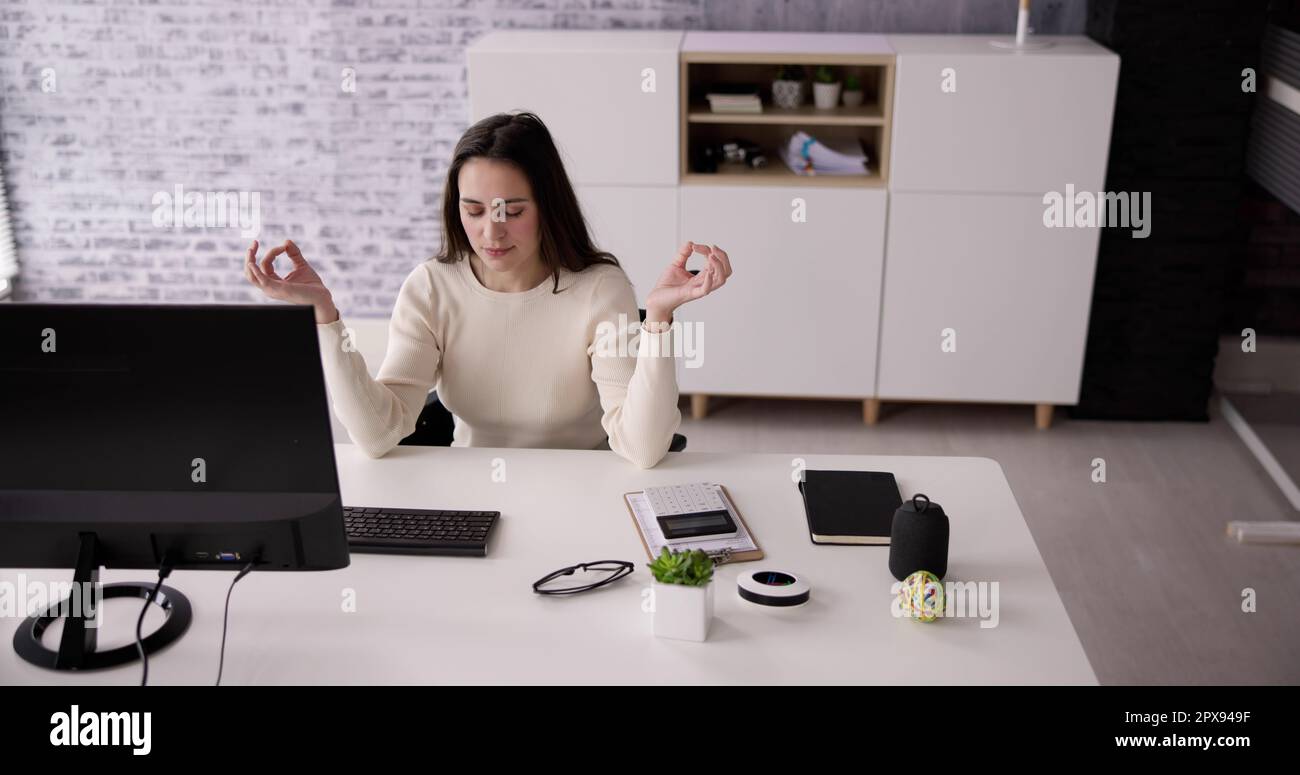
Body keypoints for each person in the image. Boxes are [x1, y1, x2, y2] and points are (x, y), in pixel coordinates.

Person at [244, 111, 732, 468]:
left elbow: (643, 448)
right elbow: (376, 435)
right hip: (474, 492)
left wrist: (661, 319)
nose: (491, 233)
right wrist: (325, 317)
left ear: (548, 207)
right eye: (473, 210)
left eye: (512, 211)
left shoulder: (600, 289)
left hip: (582, 488)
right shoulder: (431, 288)